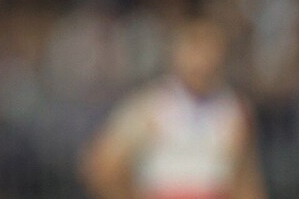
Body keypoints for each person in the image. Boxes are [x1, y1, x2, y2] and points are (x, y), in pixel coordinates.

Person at [81, 17, 268, 199]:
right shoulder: (150, 106)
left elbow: (246, 181)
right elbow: (101, 167)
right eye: (194, 50)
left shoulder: (234, 110)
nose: (202, 62)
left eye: (208, 51)